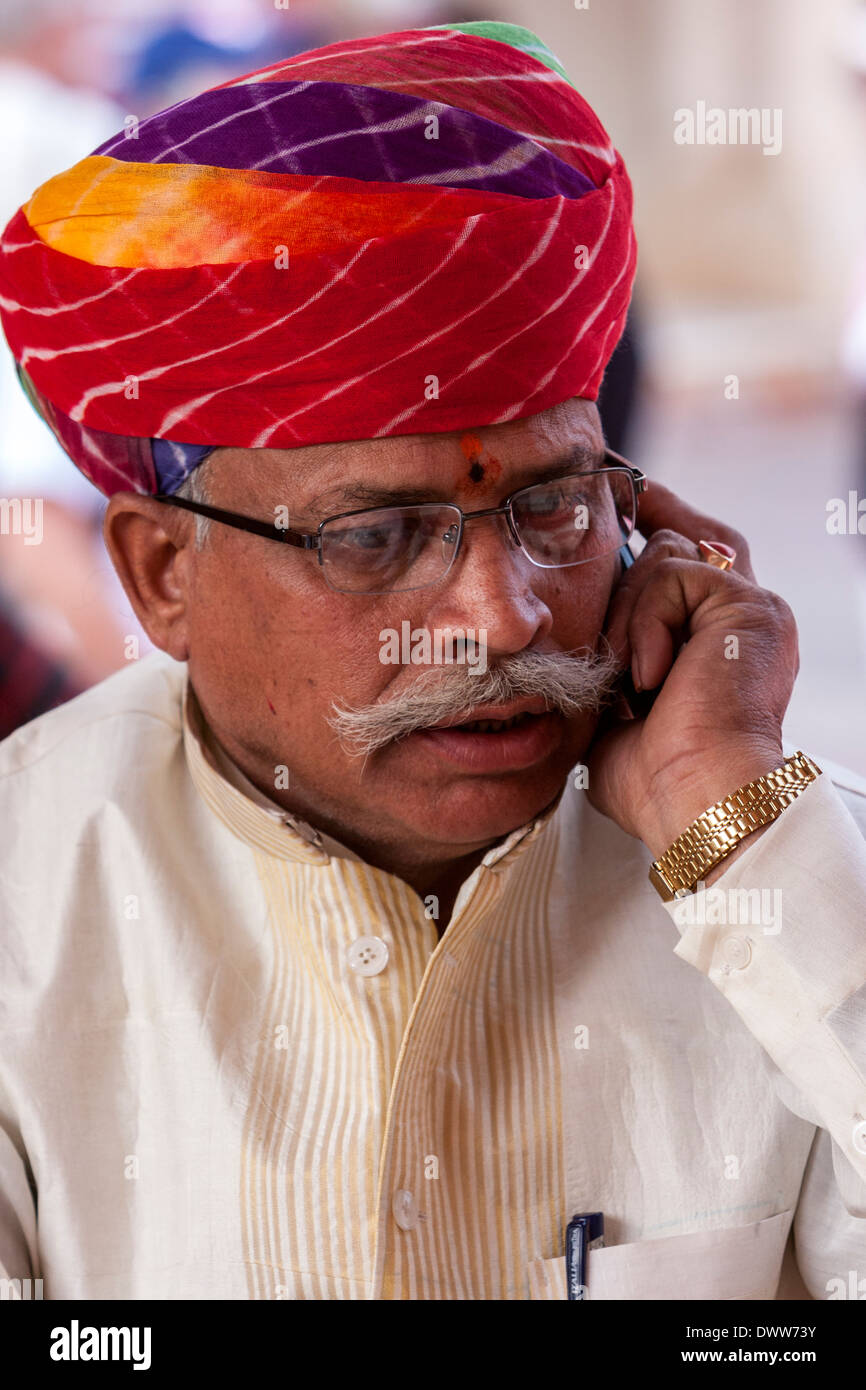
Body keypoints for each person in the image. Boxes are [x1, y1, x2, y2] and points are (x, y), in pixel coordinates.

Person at [0, 19, 863, 1302]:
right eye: (375, 536)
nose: (505, 617)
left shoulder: (778, 861)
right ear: (161, 576)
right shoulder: (28, 907)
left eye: (554, 508)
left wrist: (734, 836)